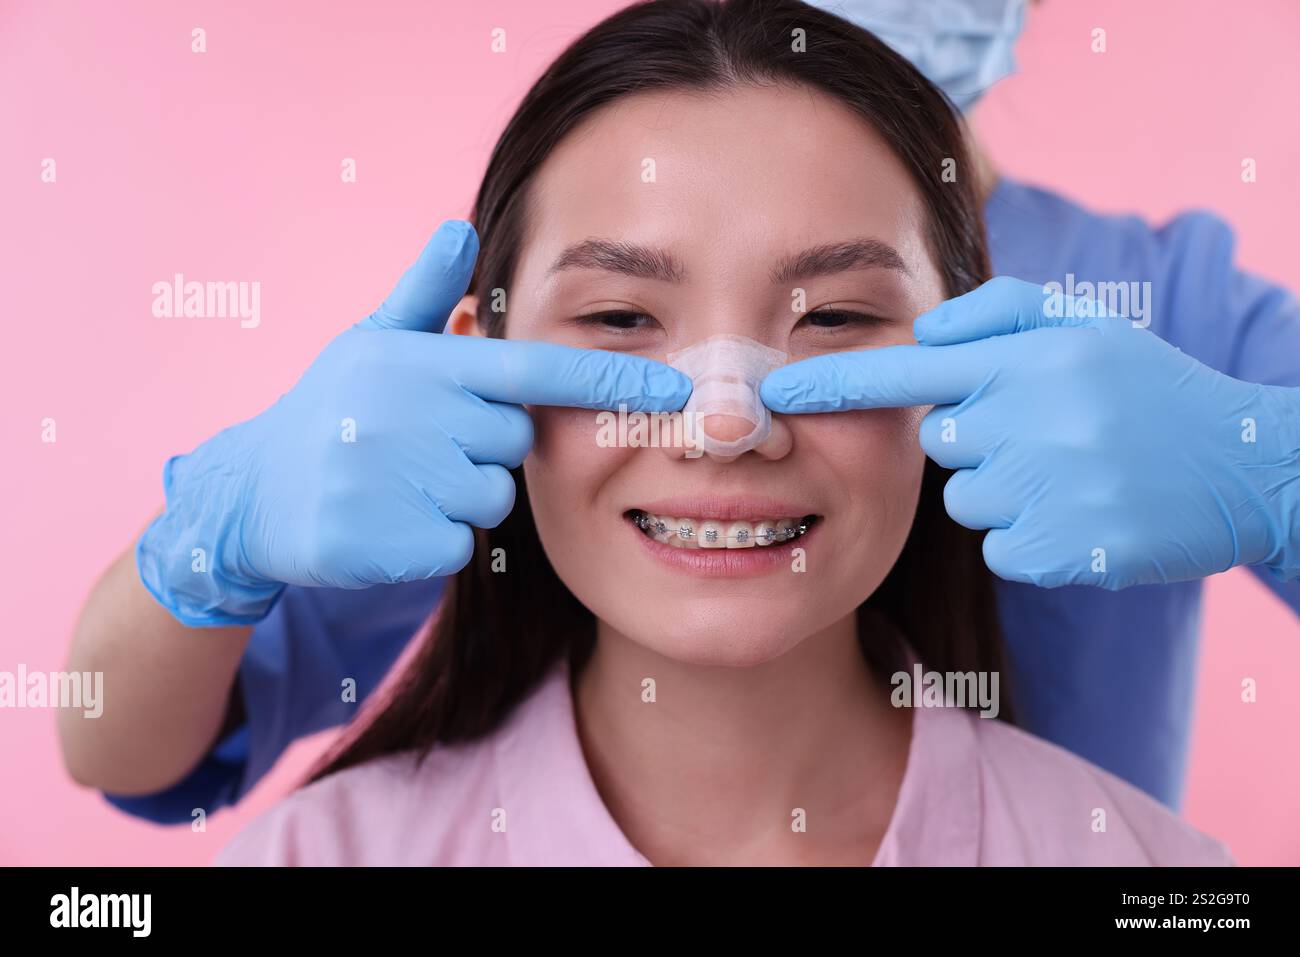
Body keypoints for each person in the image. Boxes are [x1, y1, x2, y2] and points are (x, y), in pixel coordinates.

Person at [59, 0, 1299, 825]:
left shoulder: (1170, 299)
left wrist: (1270, 476)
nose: (723, 422)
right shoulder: (529, 349)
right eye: (621, 320)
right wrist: (206, 542)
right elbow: (125, 751)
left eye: (834, 317)